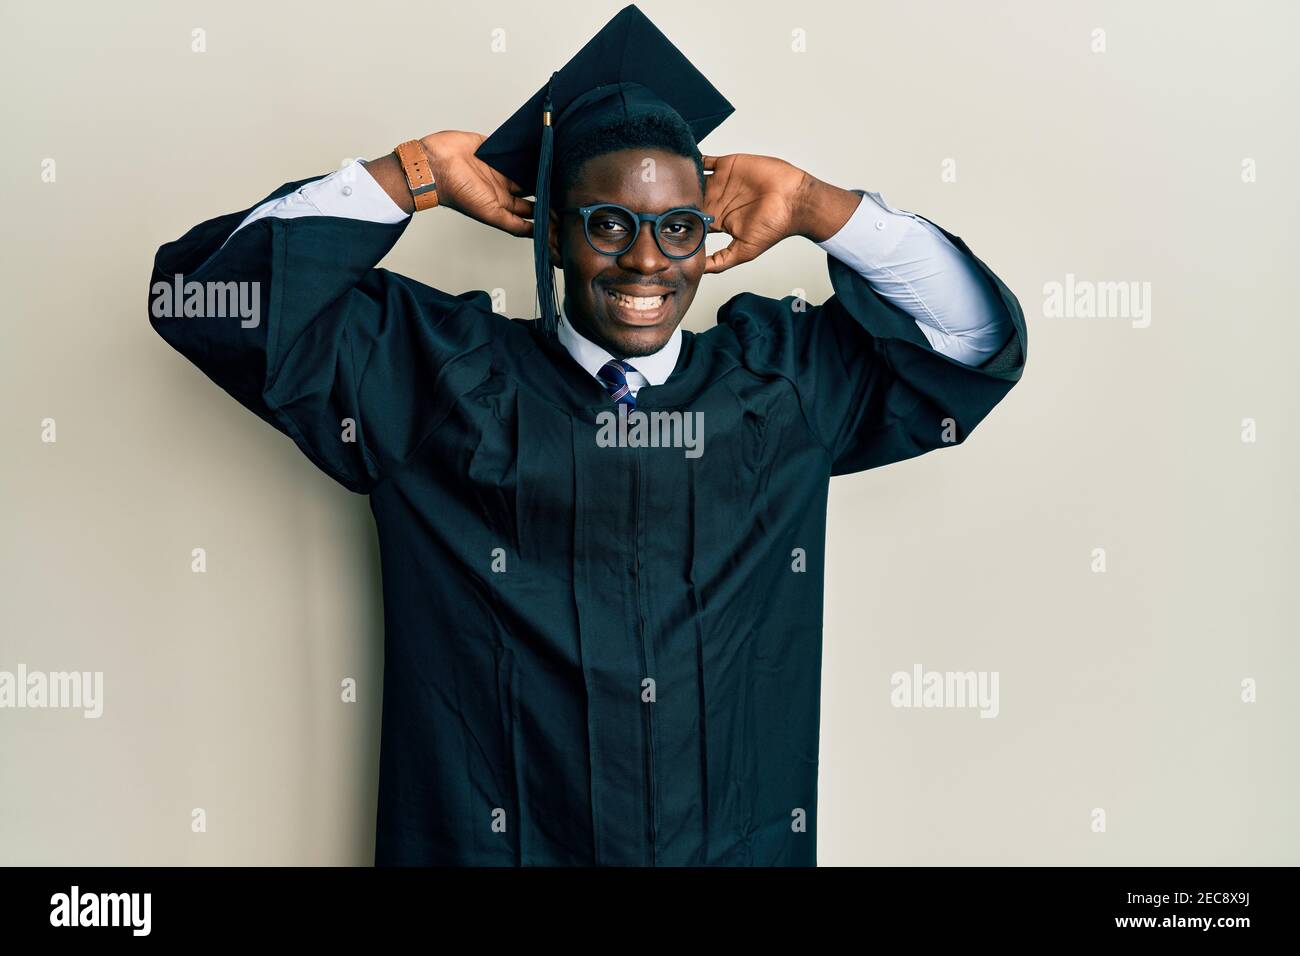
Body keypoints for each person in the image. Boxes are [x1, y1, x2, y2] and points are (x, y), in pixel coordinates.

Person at [147, 4, 1027, 865]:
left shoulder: (781, 389)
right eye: (610, 224)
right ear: (554, 236)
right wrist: (410, 172)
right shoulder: (437, 380)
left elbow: (972, 341)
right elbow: (208, 303)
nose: (647, 261)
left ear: (705, 236)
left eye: (678, 228)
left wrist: (815, 203)